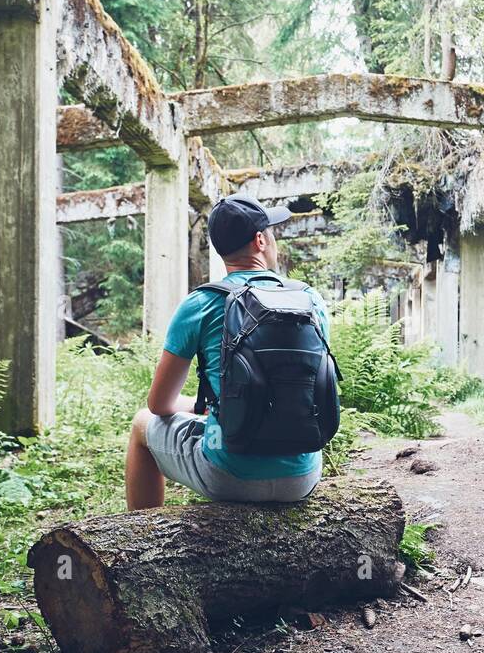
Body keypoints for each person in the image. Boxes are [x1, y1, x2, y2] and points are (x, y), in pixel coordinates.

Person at [124, 195, 331, 509]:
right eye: (271, 233)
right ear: (260, 240)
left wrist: (208, 406)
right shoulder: (310, 299)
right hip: (303, 475)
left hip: (227, 474)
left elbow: (159, 405)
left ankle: (143, 538)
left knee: (142, 423)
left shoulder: (200, 303)